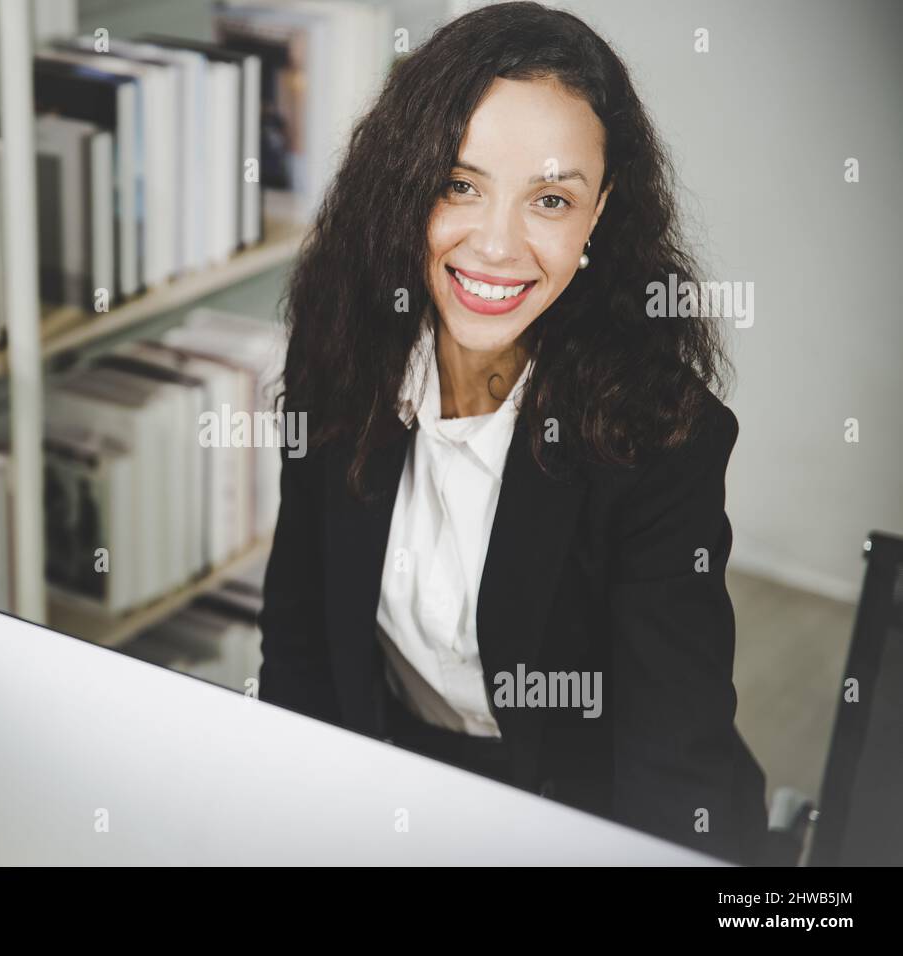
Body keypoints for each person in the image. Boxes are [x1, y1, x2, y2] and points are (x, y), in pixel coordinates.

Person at [258, 1, 769, 865]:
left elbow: (670, 762)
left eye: (551, 198)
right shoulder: (341, 345)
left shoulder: (663, 437)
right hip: (397, 788)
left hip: (584, 814)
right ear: (406, 179)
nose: (495, 245)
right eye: (460, 185)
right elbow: (300, 641)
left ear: (599, 212)